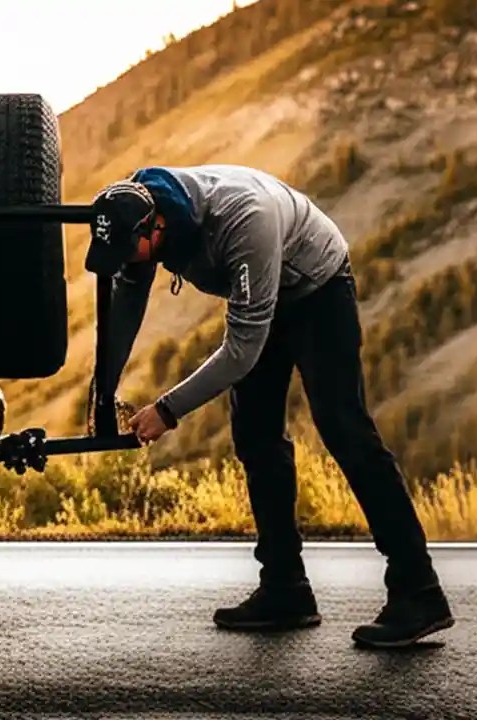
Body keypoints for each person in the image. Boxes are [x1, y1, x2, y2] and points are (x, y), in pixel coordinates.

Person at [84, 164, 454, 648]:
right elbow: (126, 308)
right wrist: (103, 392)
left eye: (130, 252)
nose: (127, 263)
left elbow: (241, 352)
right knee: (255, 436)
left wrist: (167, 410)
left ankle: (419, 590)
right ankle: (285, 588)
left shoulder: (243, 221)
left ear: (157, 227)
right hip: (262, 289)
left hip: (316, 287)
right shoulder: (136, 207)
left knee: (345, 428)